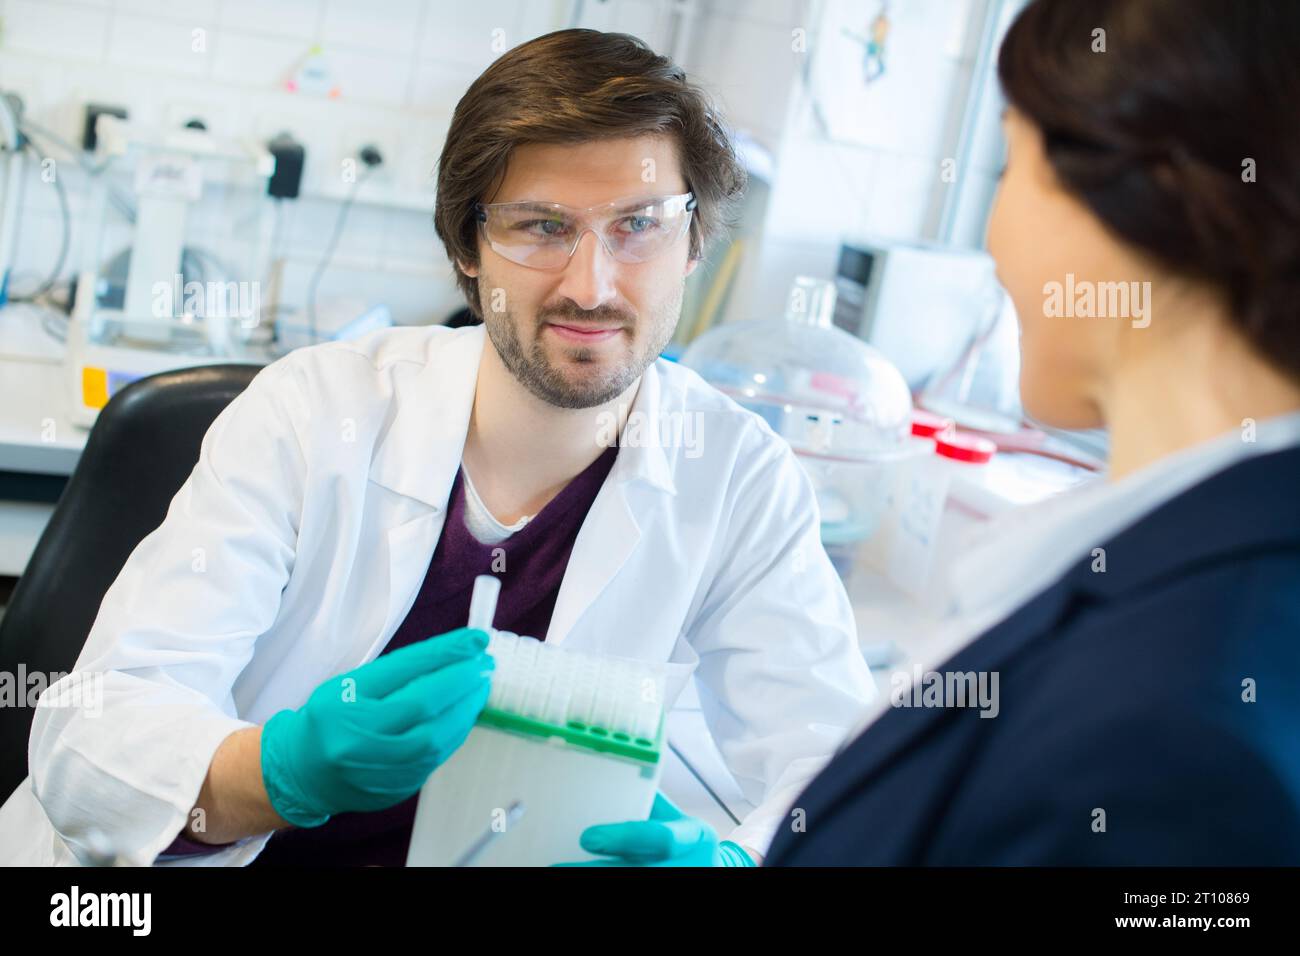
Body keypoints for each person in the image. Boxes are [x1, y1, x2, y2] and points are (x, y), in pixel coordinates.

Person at [0, 30, 876, 867]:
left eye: (639, 225)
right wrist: (275, 775)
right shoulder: (314, 412)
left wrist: (736, 859)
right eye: (541, 226)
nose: (591, 285)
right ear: (468, 248)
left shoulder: (737, 476)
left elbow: (849, 780)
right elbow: (91, 740)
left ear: (693, 244)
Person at [581, 0, 1300, 866]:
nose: (994, 241)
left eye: (1011, 162)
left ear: (1133, 199)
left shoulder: (1188, 725)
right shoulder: (1194, 581)